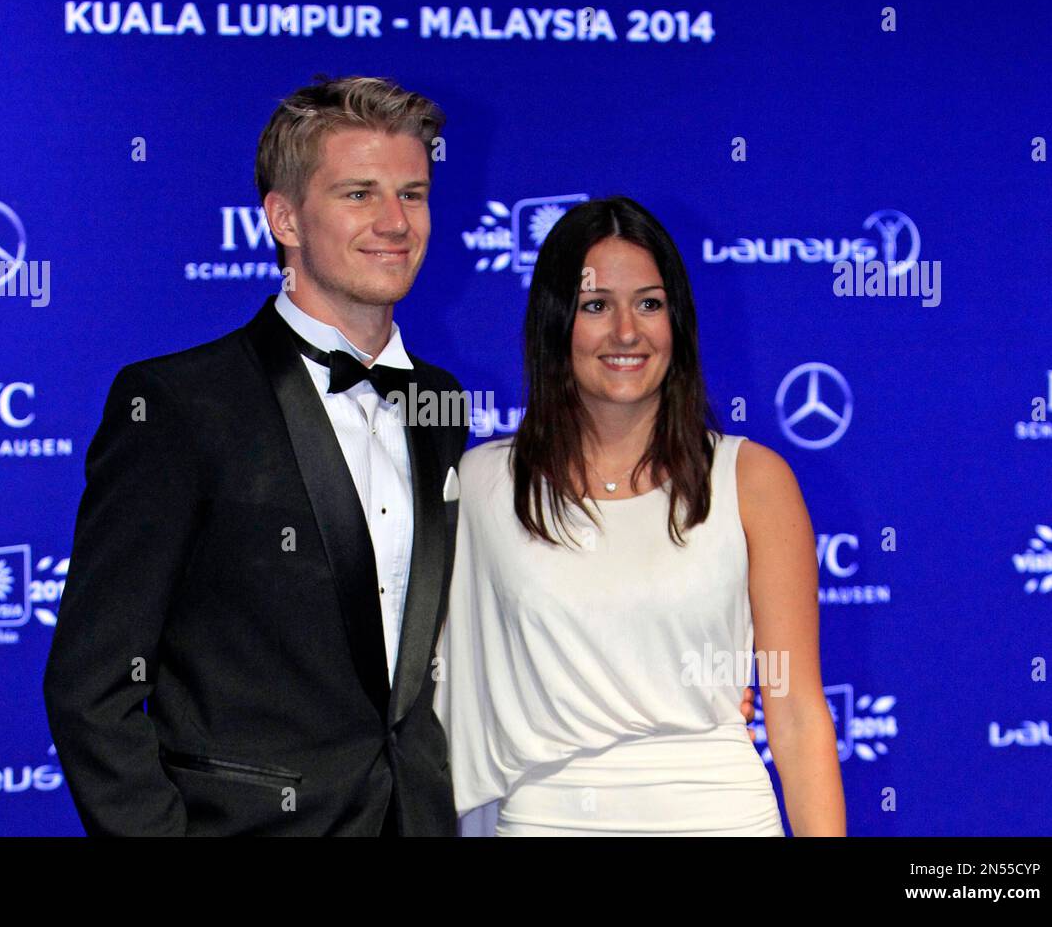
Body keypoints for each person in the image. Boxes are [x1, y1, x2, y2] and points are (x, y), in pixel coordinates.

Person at [43, 76, 468, 835]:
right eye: (359, 194)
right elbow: (90, 686)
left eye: (413, 193)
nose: (395, 222)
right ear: (284, 218)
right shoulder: (177, 405)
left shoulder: (439, 402)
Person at [435, 196, 846, 836]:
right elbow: (435, 687)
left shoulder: (753, 481)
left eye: (649, 304)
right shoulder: (484, 486)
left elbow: (796, 714)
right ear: (555, 321)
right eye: (596, 305)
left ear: (677, 320)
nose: (627, 332)